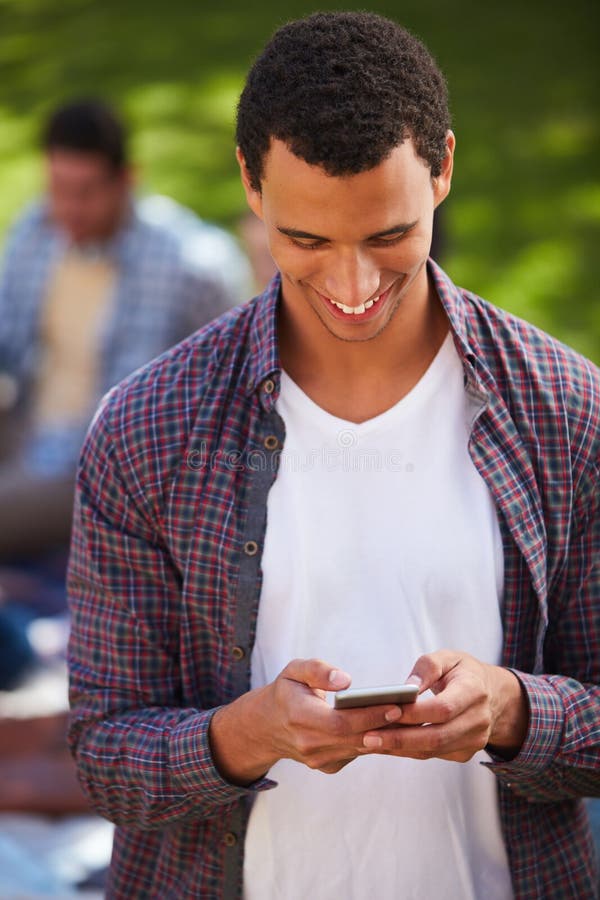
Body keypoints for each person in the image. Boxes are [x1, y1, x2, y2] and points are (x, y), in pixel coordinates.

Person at [67, 13, 599, 899]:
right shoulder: (146, 429)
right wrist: (248, 734)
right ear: (250, 184)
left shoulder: (567, 413)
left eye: (388, 235)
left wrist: (512, 711)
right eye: (306, 240)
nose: (352, 288)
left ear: (445, 172)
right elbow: (105, 756)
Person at [0, 98, 249, 684]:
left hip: (98, 463)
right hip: (24, 433)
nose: (69, 208)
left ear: (127, 180)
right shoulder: (34, 233)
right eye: (58, 188)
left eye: (85, 192)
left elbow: (236, 392)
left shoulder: (193, 263)